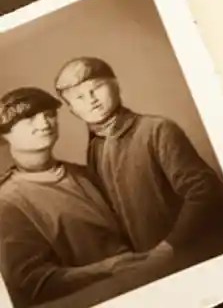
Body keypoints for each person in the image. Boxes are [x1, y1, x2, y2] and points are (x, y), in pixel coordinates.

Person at [53, 57, 223, 269]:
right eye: (79, 97)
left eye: (97, 88)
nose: (91, 100)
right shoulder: (95, 148)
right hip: (152, 268)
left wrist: (169, 247)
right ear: (72, 109)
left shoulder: (157, 130)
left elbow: (204, 191)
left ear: (116, 85)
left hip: (197, 257)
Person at [0, 87, 148, 308]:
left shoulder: (83, 174)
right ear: (4, 133)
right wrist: (109, 268)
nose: (45, 123)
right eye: (29, 118)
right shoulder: (8, 201)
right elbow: (32, 284)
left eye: (49, 114)